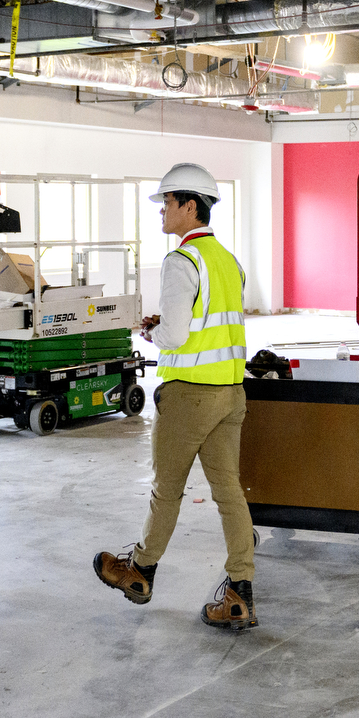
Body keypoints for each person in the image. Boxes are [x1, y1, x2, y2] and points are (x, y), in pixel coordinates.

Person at [93, 163, 256, 631]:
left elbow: (178, 333)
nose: (162, 211)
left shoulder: (181, 261)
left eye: (167, 202)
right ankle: (240, 592)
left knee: (166, 489)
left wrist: (153, 335)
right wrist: (166, 328)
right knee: (229, 494)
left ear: (190, 205)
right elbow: (211, 325)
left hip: (189, 396)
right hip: (230, 392)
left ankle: (140, 573)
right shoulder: (228, 261)